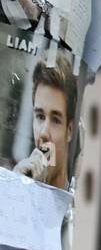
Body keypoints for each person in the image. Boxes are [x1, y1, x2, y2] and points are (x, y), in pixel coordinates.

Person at [14, 59, 76, 190]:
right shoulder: (18, 180)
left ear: (69, 131)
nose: (43, 133)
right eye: (40, 117)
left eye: (55, 120)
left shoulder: (74, 203)